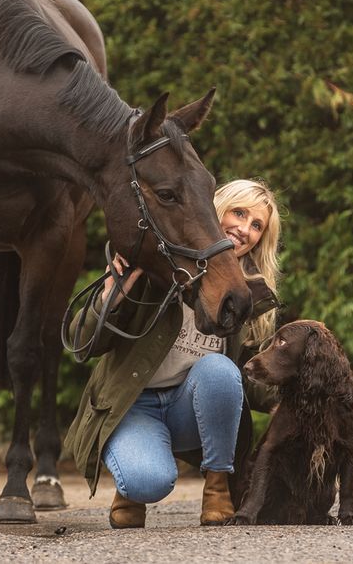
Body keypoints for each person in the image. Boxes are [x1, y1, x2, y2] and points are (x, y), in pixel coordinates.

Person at [63, 179, 283, 528]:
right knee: (148, 481)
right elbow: (82, 343)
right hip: (134, 406)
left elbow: (248, 379)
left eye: (257, 225)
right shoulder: (157, 262)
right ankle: (132, 482)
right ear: (214, 210)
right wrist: (110, 299)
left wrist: (293, 399)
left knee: (220, 370)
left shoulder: (249, 296)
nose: (245, 229)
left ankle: (217, 489)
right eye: (239, 213)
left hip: (192, 411)